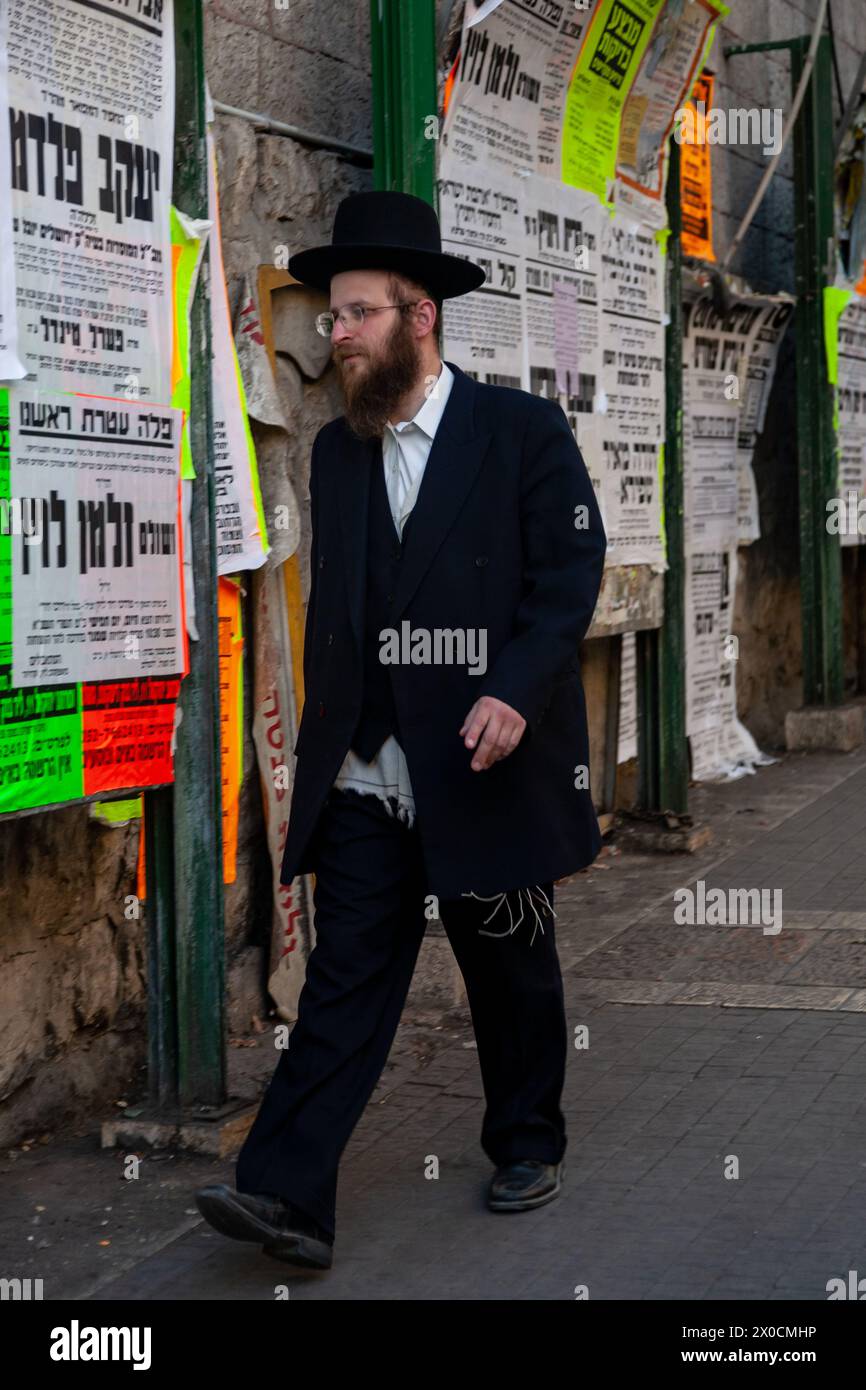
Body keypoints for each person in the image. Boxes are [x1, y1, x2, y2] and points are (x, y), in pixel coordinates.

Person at [196, 190, 607, 1270]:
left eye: (354, 314)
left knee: (508, 969)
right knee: (343, 981)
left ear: (417, 317)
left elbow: (567, 578)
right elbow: (346, 605)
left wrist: (514, 689)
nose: (333, 335)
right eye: (332, 315)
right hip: (373, 772)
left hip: (484, 758)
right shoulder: (336, 452)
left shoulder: (518, 431)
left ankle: (525, 1138)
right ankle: (285, 1195)